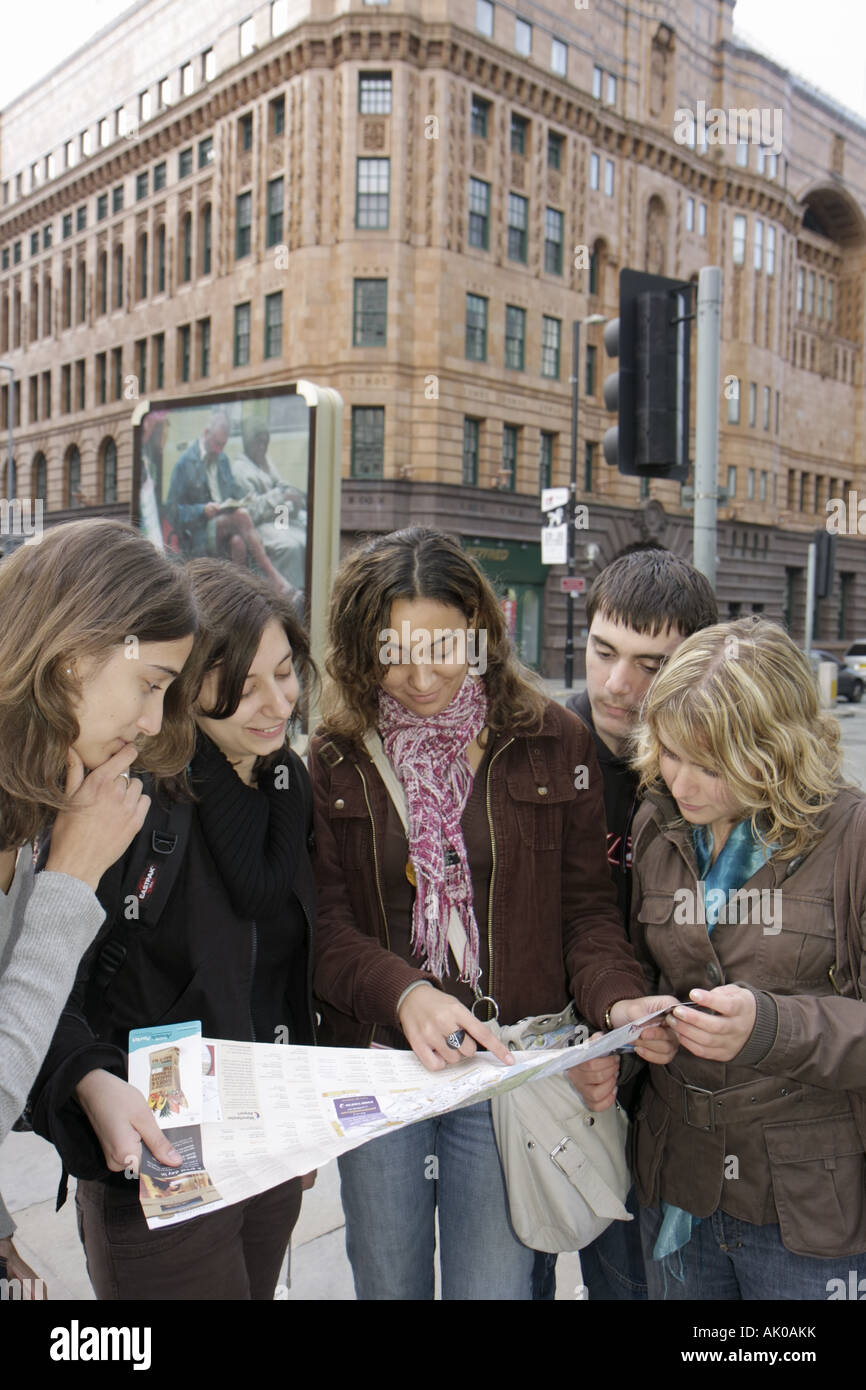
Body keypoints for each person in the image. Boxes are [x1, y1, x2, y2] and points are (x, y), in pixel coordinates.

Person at [308, 526, 677, 1301]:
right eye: (394, 653)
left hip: (507, 1064)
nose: (420, 678)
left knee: (493, 1290)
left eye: (443, 648)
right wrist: (405, 994)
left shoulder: (553, 740)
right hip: (379, 1069)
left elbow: (585, 913)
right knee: (390, 1286)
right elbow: (326, 927)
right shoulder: (337, 754)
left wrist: (617, 1002)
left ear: (479, 629)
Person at [30, 560, 317, 1301]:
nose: (277, 703)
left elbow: (296, 964)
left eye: (285, 673)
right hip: (157, 1156)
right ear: (187, 687)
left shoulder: (289, 787)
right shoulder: (128, 798)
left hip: (272, 1141)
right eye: (244, 686)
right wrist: (89, 1079)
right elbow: (40, 979)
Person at [623, 617, 866, 1299]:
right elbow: (643, 967)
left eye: (713, 765)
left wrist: (769, 1028)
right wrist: (635, 1022)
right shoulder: (657, 824)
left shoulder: (852, 838)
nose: (683, 782)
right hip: (677, 1181)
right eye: (671, 753)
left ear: (777, 750)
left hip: (803, 1205)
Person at [0, 519, 199, 1294]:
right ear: (74, 653)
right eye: (150, 683)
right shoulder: (55, 839)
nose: (152, 722)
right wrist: (73, 879)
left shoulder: (35, 811)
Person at [563, 546, 718, 1300]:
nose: (617, 685)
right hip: (565, 1070)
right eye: (603, 652)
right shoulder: (536, 747)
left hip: (679, 1087)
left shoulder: (721, 772)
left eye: (650, 665)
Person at [165, 408, 290, 592]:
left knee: (238, 542)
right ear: (206, 433)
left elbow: (232, 492)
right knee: (242, 516)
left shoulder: (222, 459)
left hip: (224, 527)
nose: (219, 450)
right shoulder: (185, 463)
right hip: (197, 534)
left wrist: (243, 499)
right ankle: (275, 579)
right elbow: (172, 511)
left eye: (223, 445)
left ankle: (242, 594)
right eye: (217, 443)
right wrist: (202, 510)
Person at [231, 421, 307, 596]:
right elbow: (251, 510)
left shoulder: (265, 462)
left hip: (278, 516)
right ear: (248, 443)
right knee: (289, 546)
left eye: (265, 442)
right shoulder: (240, 469)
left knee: (304, 536)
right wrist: (280, 496)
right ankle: (286, 593)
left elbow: (280, 485)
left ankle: (303, 587)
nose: (262, 447)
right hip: (258, 523)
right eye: (258, 442)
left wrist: (293, 498)